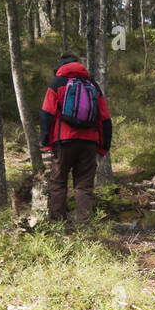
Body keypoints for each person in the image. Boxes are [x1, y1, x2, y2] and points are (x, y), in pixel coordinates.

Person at [39, 54, 112, 226]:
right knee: (84, 187)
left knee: (58, 183)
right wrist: (103, 148)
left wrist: (46, 142)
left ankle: (58, 225)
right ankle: (84, 227)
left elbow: (46, 114)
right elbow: (105, 120)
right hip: (89, 143)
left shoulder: (57, 83)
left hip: (64, 142)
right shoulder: (93, 85)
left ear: (60, 66)